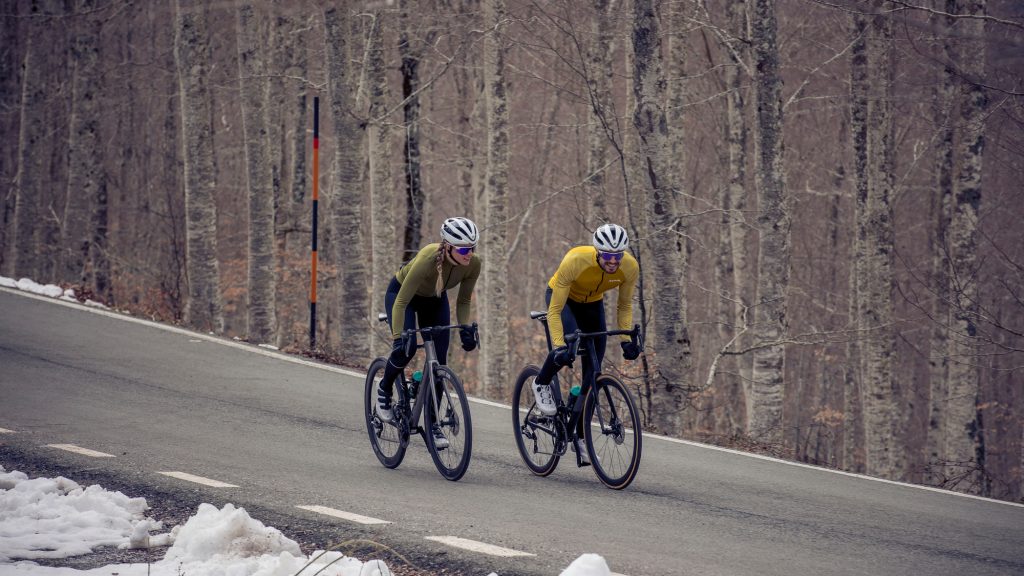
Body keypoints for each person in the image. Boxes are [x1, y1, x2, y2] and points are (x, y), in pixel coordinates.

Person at [531, 223, 641, 465]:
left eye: (618, 255)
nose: (614, 261)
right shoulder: (575, 260)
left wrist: (626, 340)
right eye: (609, 256)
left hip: (592, 305)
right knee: (567, 352)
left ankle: (580, 437)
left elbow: (624, 306)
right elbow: (555, 310)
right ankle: (540, 383)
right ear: (598, 252)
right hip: (563, 300)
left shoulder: (630, 267)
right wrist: (559, 345)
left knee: (593, 372)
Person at [375, 217, 481, 449]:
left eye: (472, 248)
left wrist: (465, 328)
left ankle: (432, 423)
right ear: (449, 246)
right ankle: (384, 387)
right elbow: (401, 300)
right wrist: (398, 336)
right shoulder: (429, 257)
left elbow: (463, 300)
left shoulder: (474, 264)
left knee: (439, 363)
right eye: (464, 248)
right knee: (408, 348)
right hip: (404, 297)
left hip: (435, 299)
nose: (469, 253)